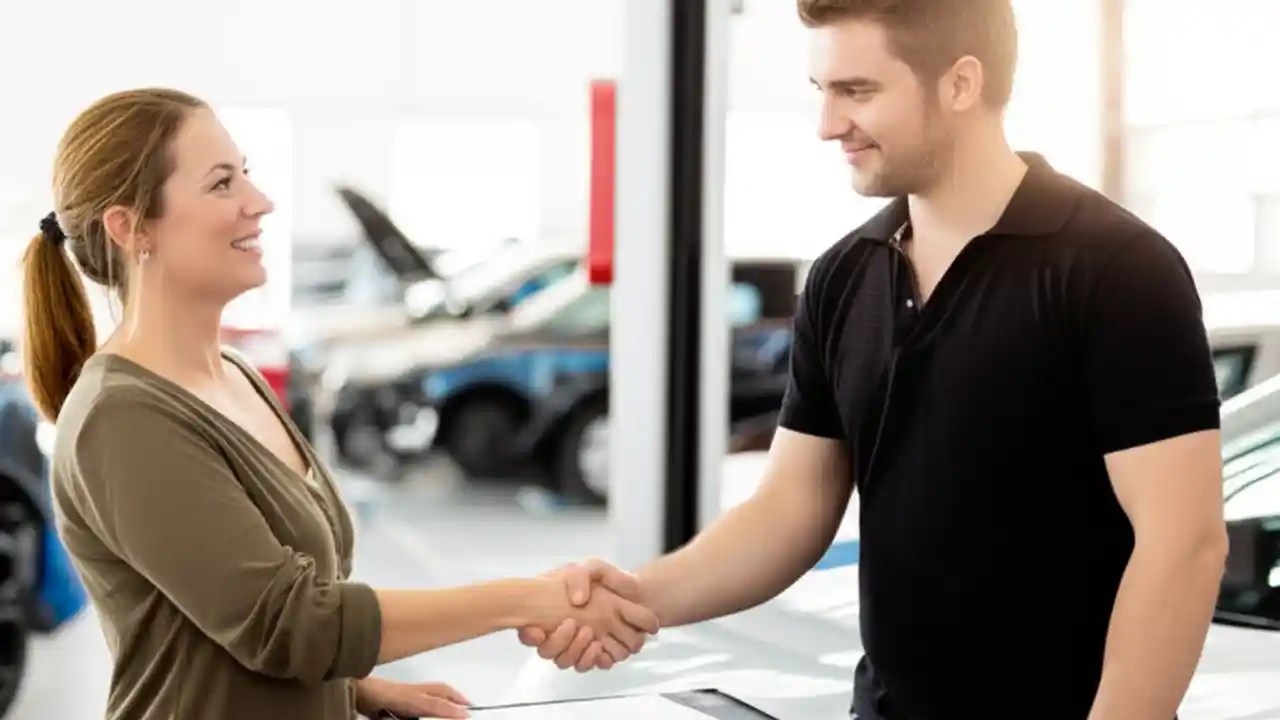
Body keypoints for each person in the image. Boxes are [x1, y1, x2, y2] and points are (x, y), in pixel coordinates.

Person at [520, 1, 1229, 718]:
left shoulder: (1118, 268)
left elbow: (1184, 542)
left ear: (960, 84)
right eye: (822, 91)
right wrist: (635, 599)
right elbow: (789, 510)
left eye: (856, 92)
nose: (828, 125)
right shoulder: (841, 276)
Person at [21, 87, 659, 720]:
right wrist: (530, 599)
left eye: (247, 174)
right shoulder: (124, 420)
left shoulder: (237, 377)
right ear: (131, 227)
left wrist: (354, 689)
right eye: (221, 184)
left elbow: (220, 618)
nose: (260, 202)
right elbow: (285, 624)